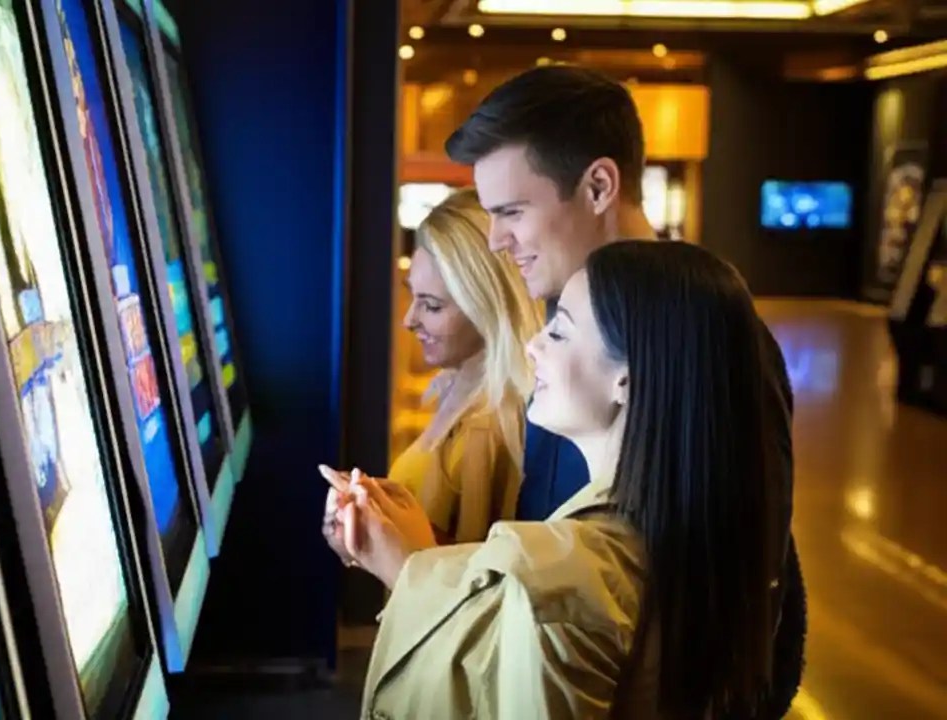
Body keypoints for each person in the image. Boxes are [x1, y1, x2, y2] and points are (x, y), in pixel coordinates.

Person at [443, 64, 803, 716]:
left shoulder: (708, 338)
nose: (496, 240)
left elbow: (742, 602)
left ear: (600, 185)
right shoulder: (567, 325)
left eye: (512, 212)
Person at [331, 241, 784, 719]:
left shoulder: (558, 581)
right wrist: (411, 564)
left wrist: (410, 570)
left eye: (560, 332)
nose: (534, 344)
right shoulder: (692, 538)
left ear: (625, 378)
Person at [330, 189, 545, 546]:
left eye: (430, 306)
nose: (408, 320)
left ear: (485, 308)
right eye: (413, 296)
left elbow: (461, 591)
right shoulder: (456, 387)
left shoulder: (484, 433)